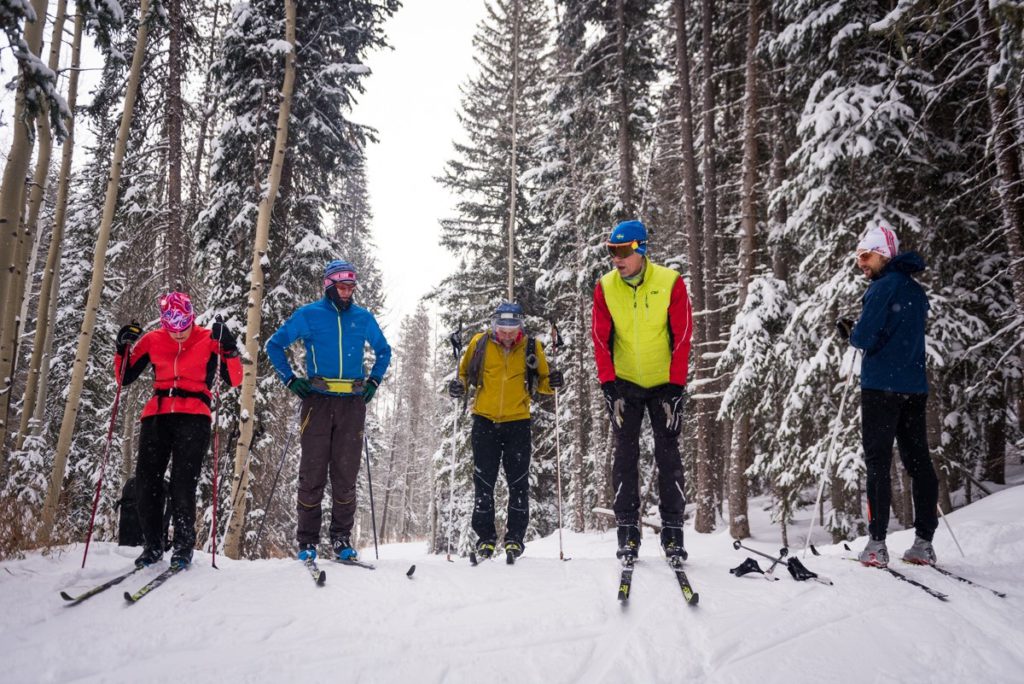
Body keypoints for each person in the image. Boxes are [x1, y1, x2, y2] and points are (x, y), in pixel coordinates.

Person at [266, 260, 391, 563]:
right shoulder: (309, 315)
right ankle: (307, 542)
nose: (347, 293)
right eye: (342, 287)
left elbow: (384, 350)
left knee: (346, 475)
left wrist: (374, 381)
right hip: (317, 401)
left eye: (351, 288)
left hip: (352, 402)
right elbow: (274, 345)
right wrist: (291, 379)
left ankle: (340, 540)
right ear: (329, 286)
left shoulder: (362, 318)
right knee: (312, 473)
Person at [114, 291, 243, 569]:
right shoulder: (153, 340)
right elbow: (125, 377)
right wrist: (122, 347)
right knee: (147, 481)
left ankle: (184, 546)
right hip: (157, 415)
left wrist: (230, 348)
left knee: (184, 483)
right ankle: (152, 545)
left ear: (191, 317)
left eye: (184, 324)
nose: (179, 332)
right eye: (172, 326)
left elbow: (234, 378)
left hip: (194, 414)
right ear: (164, 322)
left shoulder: (207, 338)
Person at [590, 220, 693, 561]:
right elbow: (600, 339)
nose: (615, 259)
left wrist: (677, 386)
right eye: (611, 252)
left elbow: (683, 336)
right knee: (624, 457)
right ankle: (627, 534)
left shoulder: (670, 282)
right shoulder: (605, 287)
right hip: (626, 384)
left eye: (621, 252)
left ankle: (674, 535)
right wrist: (608, 384)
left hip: (664, 383)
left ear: (640, 249)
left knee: (668, 456)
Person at [837, 223, 938, 567]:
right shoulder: (914, 289)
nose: (861, 263)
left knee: (878, 461)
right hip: (913, 387)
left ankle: (877, 544)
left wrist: (850, 332)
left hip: (881, 387)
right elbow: (899, 332)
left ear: (883, 254)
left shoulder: (883, 288)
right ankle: (924, 542)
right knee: (918, 461)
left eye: (865, 256)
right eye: (857, 258)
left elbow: (865, 337)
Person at [447, 302, 562, 561]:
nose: (507, 334)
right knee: (484, 483)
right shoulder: (480, 344)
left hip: (518, 423)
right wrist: (458, 386)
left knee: (518, 484)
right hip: (484, 422)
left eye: (513, 328)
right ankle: (485, 540)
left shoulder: (532, 347)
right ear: (493, 325)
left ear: (520, 326)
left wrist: (553, 383)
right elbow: (464, 373)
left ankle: (514, 540)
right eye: (502, 328)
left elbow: (543, 382)